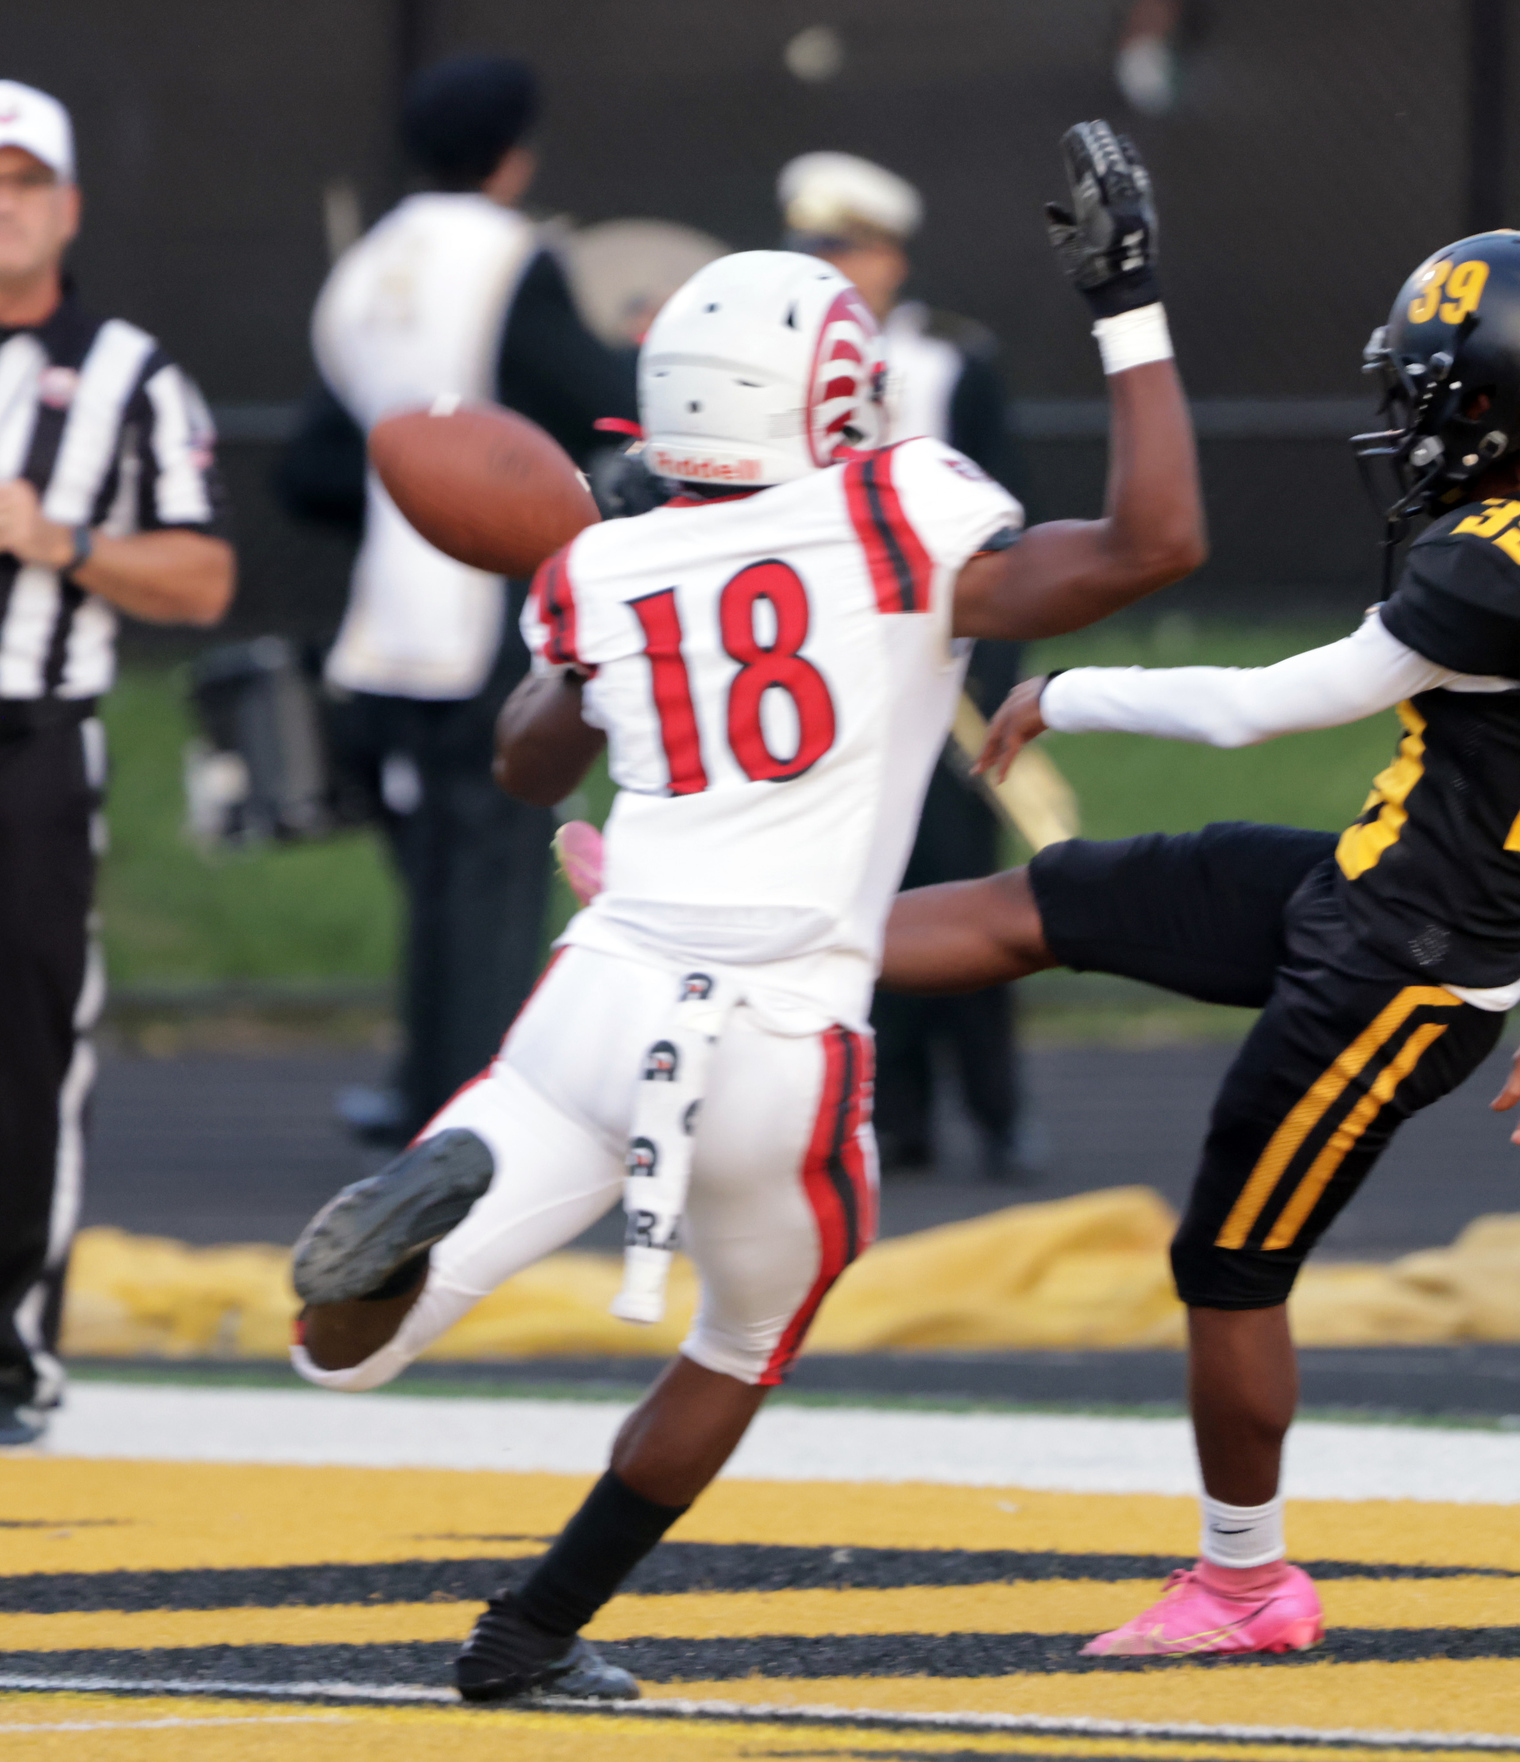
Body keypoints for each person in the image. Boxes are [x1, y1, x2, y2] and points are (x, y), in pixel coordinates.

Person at [285, 123, 1203, 1700]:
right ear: (833, 392)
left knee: (348, 1344)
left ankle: (405, 1231)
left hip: (596, 996)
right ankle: (527, 1633)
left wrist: (593, 593)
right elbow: (1154, 542)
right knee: (741, 1337)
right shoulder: (903, 510)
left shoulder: (616, 562)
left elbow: (525, 766)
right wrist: (1131, 306)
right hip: (781, 1029)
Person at [878, 230, 1520, 1655]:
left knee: (1229, 1258)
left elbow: (1269, 703)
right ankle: (763, 938)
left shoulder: (1508, 575)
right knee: (1068, 897)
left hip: (1405, 979)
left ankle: (1246, 1584)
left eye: (1427, 389)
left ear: (1491, 399)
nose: (1408, 420)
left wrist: (1069, 691)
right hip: (1365, 888)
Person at [278, 52, 637, 1143]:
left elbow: (320, 461)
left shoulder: (362, 270)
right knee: (494, 873)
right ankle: (476, 1114)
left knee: (434, 869)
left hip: (382, 625)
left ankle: (419, 1087)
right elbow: (601, 405)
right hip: (486, 618)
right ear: (513, 154)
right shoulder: (511, 261)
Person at [0, 81, 235, 1445]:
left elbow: (204, 574)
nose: (4, 205)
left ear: (69, 204)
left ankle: (13, 1345)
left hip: (31, 746)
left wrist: (61, 543)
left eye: (24, 181)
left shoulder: (133, 373)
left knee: (27, 1050)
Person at [779, 150, 1035, 1181]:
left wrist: (991, 682)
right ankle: (893, 1115)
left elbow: (1011, 541)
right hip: (836, 685)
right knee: (855, 907)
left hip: (946, 678)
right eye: (816, 251)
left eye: (848, 249)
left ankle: (999, 1112)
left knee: (966, 894)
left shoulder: (948, 366)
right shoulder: (781, 369)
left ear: (888, 259)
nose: (834, 268)